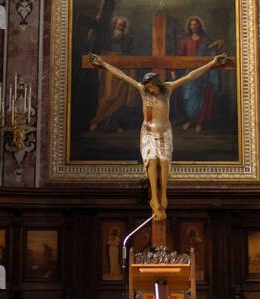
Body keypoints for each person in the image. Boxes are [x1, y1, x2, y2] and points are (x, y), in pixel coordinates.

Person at [88, 52, 229, 219]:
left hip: (164, 132)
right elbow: (123, 76)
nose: (149, 90)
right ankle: (154, 198)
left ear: (156, 83)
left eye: (151, 87)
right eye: (146, 87)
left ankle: (164, 196)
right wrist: (103, 64)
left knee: (164, 164)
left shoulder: (167, 89)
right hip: (148, 132)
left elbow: (191, 76)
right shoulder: (143, 91)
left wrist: (212, 63)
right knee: (152, 162)